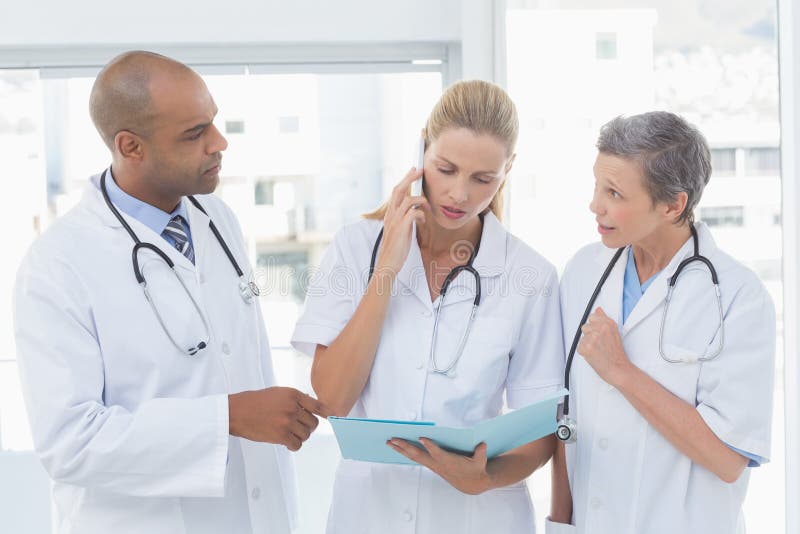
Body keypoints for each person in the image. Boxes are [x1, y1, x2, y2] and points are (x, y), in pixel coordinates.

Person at [13, 51, 328, 534]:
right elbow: (69, 444)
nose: (219, 143)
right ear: (130, 146)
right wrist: (227, 417)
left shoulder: (217, 220)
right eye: (194, 133)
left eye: (214, 124)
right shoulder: (58, 264)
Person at [291, 80, 564, 533]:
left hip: (476, 515)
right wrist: (386, 272)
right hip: (371, 513)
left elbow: (540, 427)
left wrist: (486, 477)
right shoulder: (356, 248)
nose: (460, 194)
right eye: (446, 168)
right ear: (422, 149)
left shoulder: (530, 275)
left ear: (508, 170)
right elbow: (332, 397)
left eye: (483, 179)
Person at [547, 111, 775, 534]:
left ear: (673, 205)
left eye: (614, 193)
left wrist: (622, 372)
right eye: (598, 186)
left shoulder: (739, 297)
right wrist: (559, 523)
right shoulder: (583, 271)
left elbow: (728, 460)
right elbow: (565, 414)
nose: (595, 205)